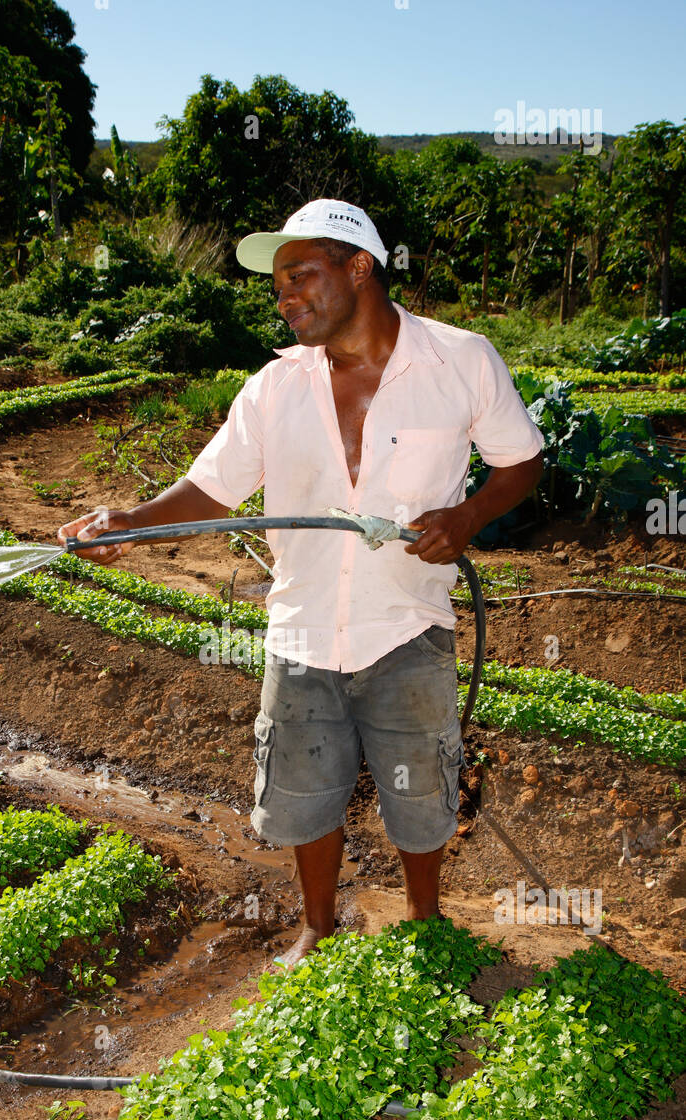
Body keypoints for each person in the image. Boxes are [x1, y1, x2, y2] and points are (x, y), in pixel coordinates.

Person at [58, 198, 544, 970]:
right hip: (303, 631)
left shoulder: (461, 360)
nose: (286, 297)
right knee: (305, 791)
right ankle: (318, 927)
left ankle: (423, 923)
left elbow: (522, 460)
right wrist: (131, 521)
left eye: (300, 276)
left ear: (359, 267)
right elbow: (211, 490)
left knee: (421, 800)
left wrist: (470, 514)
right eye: (279, 284)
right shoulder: (274, 387)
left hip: (408, 628)